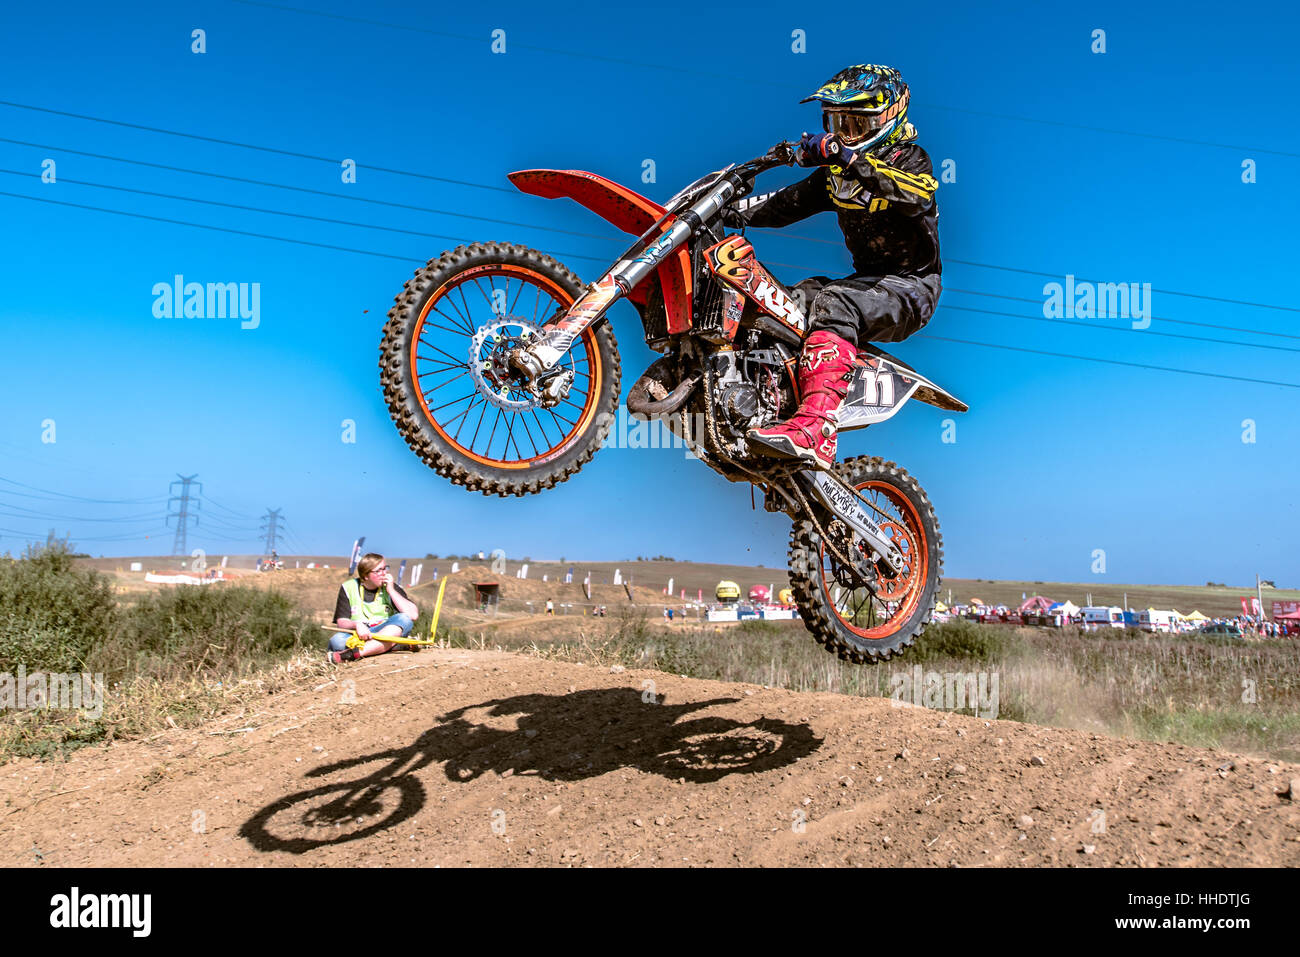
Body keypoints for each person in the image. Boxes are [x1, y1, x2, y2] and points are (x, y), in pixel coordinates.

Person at [725, 64, 942, 470]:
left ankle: (817, 427)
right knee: (786, 299)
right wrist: (729, 210)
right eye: (839, 123)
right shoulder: (833, 178)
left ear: (889, 116)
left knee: (834, 302)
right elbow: (781, 205)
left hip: (911, 289)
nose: (846, 133)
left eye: (858, 123)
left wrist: (848, 158)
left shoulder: (910, 161)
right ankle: (769, 403)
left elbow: (915, 196)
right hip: (866, 283)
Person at [326, 553, 419, 663]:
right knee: (336, 641)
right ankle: (390, 646)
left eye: (385, 568)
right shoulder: (348, 587)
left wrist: (391, 591)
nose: (384, 573)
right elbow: (341, 622)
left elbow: (413, 615)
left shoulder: (390, 586)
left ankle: (353, 653)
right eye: (378, 571)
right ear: (366, 575)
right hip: (360, 635)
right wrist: (357, 625)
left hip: (385, 630)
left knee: (404, 619)